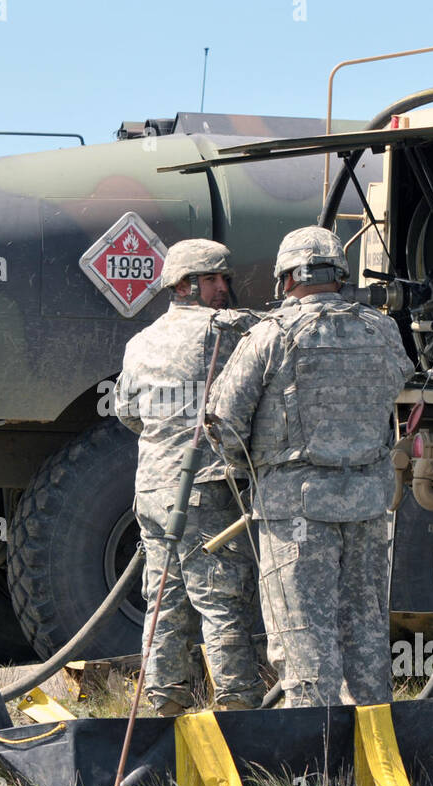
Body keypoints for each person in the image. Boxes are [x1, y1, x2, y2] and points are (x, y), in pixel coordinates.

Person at [205, 226, 412, 708]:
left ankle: (316, 770)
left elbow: (224, 423)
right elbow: (396, 389)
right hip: (366, 506)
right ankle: (373, 757)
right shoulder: (382, 329)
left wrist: (253, 471)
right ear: (340, 276)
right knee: (365, 637)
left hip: (293, 510)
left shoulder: (271, 335)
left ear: (285, 280)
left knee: (303, 642)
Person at [114, 239, 265, 715]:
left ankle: (164, 709)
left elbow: (127, 412)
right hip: (205, 490)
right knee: (221, 603)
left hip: (153, 491)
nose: (225, 287)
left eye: (225, 278)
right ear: (184, 285)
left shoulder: (141, 341)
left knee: (164, 605)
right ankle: (239, 712)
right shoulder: (229, 331)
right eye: (214, 279)